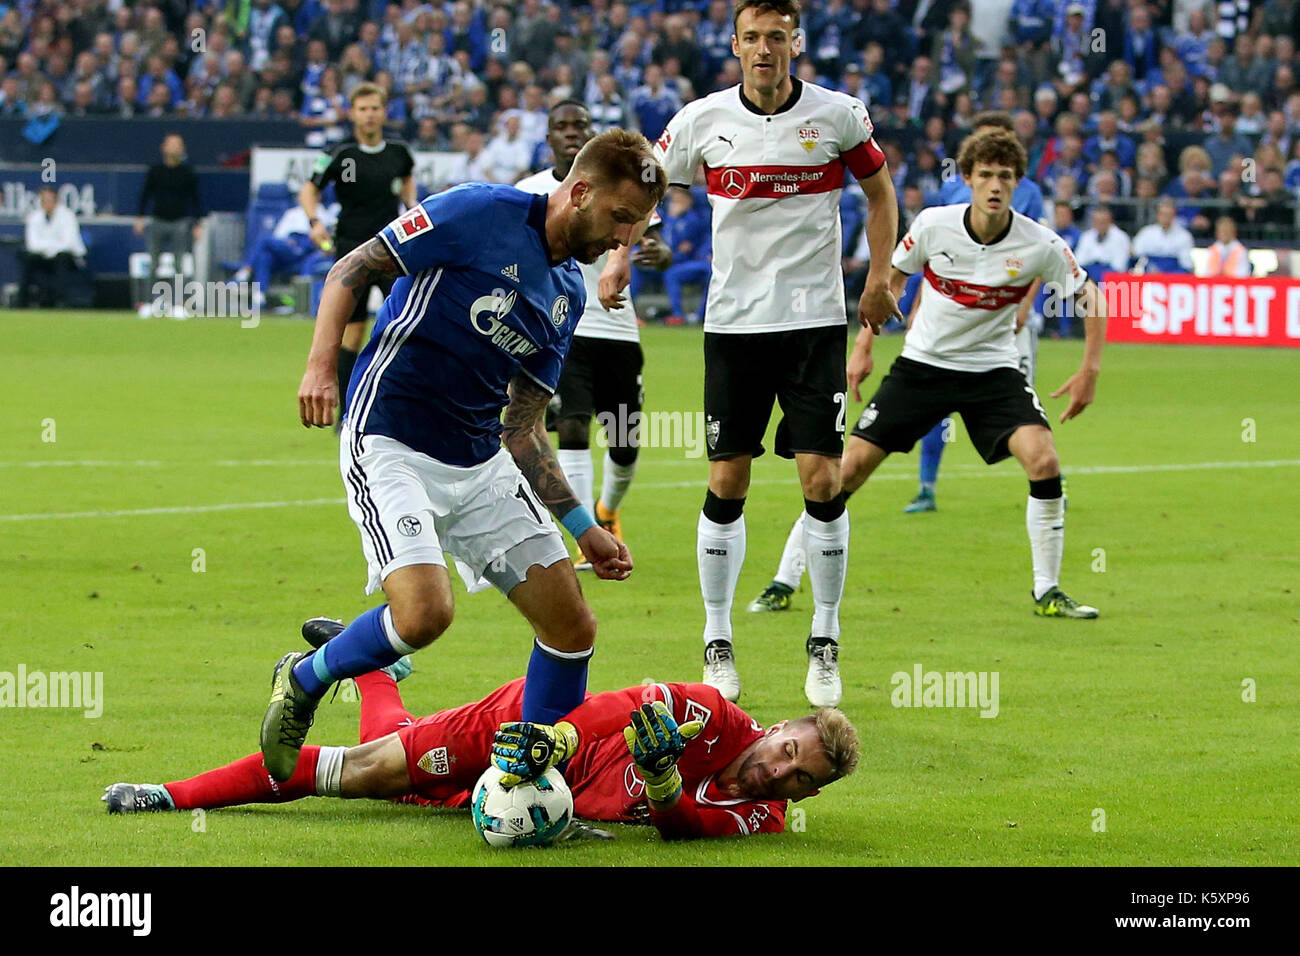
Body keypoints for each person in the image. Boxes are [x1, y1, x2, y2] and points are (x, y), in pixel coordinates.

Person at [264, 130, 665, 785]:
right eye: (621, 219)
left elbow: (525, 428)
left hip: (480, 464)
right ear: (581, 191)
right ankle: (304, 678)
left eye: (637, 226)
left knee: (572, 627)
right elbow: (352, 269)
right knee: (425, 615)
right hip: (390, 436)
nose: (624, 239)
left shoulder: (568, 294)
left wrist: (584, 529)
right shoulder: (478, 212)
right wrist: (320, 366)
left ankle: (529, 783)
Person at [637, 0, 901, 708]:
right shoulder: (702, 119)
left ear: (796, 44)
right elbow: (647, 184)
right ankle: (717, 640)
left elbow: (881, 195)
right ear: (734, 45)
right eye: (752, 37)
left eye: (776, 38)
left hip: (815, 323)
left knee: (821, 479)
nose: (764, 49)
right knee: (729, 480)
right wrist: (631, 247)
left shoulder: (839, 116)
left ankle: (825, 638)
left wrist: (878, 277)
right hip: (732, 326)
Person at [762, 130, 1107, 626]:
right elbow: (891, 282)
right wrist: (863, 346)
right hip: (922, 366)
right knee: (847, 470)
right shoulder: (933, 226)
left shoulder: (1039, 243)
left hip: (993, 370)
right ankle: (784, 580)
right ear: (966, 179)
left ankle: (1048, 589)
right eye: (985, 175)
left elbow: (1092, 298)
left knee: (1044, 458)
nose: (994, 185)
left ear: (1017, 184)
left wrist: (1088, 370)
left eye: (1004, 177)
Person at [105, 620, 860, 840]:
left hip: (527, 791)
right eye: (789, 749)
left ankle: (372, 669)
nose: (781, 770)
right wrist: (557, 738)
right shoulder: (711, 714)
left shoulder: (762, 817)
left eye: (802, 776)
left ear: (810, 792)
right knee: (370, 772)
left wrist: (664, 786)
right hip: (522, 729)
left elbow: (686, 827)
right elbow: (619, 704)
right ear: (780, 725)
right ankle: (166, 794)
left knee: (399, 778)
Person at [515, 101, 672, 565]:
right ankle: (587, 534)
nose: (569, 132)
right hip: (563, 330)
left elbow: (653, 243)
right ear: (548, 138)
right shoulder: (530, 192)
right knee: (574, 427)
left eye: (578, 125)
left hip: (619, 331)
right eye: (560, 126)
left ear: (589, 135)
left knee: (624, 443)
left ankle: (608, 509)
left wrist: (655, 255)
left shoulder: (621, 189)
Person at [299, 81, 416, 425]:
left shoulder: (399, 153)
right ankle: (348, 413)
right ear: (353, 114)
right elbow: (310, 189)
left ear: (384, 113)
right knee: (351, 332)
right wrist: (314, 221)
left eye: (375, 108)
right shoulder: (340, 154)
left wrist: (411, 205)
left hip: (391, 251)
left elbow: (407, 181)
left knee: (406, 324)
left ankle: (402, 404)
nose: (369, 115)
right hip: (350, 251)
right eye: (363, 109)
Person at [134, 133, 204, 317]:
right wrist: (140, 218)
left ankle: (178, 305)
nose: (174, 148)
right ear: (163, 147)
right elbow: (145, 195)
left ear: (182, 149)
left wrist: (198, 224)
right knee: (153, 264)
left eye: (178, 145)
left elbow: (195, 200)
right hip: (158, 221)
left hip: (180, 223)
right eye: (171, 144)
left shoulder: (188, 172)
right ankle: (149, 303)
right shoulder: (155, 171)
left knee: (179, 265)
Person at [230, 202, 339, 310]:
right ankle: (259, 296)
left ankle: (245, 272)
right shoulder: (291, 212)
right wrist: (286, 242)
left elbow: (325, 237)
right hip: (288, 245)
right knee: (264, 256)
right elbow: (278, 235)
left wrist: (323, 247)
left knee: (263, 240)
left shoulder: (321, 211)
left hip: (304, 246)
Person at [20, 186, 86, 308]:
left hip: (68, 257)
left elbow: (68, 243)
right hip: (43, 255)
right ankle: (23, 301)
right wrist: (49, 249)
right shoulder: (34, 217)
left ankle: (59, 300)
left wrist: (49, 248)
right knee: (29, 259)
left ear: (56, 201)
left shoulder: (67, 216)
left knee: (62, 258)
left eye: (49, 200)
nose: (46, 204)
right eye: (43, 200)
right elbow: (32, 244)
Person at [1132, 198, 1194, 274]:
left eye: (1169, 214)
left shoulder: (1184, 236)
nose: (1166, 217)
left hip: (1173, 274)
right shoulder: (1146, 233)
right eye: (1163, 214)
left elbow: (1186, 264)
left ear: (1174, 215)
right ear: (1158, 215)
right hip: (1149, 272)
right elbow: (1136, 253)